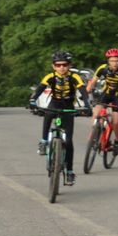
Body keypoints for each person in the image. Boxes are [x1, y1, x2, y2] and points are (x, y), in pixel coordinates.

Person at [31, 51, 90, 185]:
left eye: (65, 65)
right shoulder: (50, 76)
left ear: (69, 65)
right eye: (58, 65)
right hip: (55, 103)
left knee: (68, 141)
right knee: (48, 114)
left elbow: (83, 91)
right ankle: (44, 140)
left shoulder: (74, 77)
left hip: (68, 106)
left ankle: (69, 171)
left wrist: (87, 105)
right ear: (54, 66)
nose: (61, 67)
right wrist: (33, 100)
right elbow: (40, 89)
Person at [87, 47, 118, 153]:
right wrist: (86, 92)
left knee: (116, 122)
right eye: (112, 60)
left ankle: (117, 141)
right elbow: (93, 81)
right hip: (105, 94)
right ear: (108, 61)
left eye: (117, 60)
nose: (115, 63)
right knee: (96, 114)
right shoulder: (103, 68)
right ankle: (95, 133)